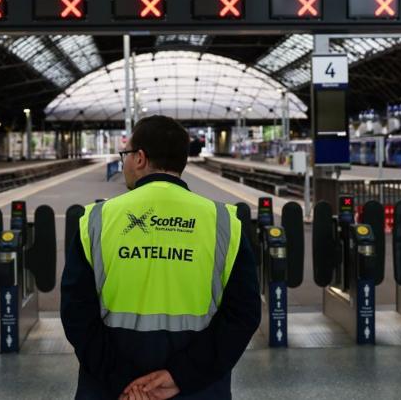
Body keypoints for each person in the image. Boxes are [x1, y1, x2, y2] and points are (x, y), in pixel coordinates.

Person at [61, 115, 261, 399]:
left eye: (126, 153)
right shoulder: (224, 222)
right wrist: (181, 375)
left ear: (140, 158)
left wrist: (125, 382)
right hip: (197, 388)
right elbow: (243, 314)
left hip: (111, 389)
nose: (125, 161)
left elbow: (76, 312)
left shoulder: (96, 220)